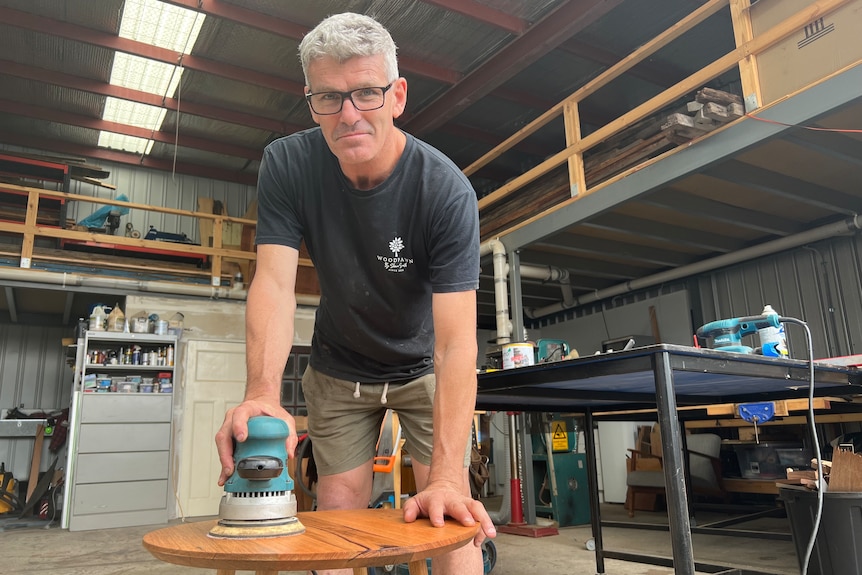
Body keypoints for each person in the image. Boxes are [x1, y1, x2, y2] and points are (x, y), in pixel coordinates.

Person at [214, 11, 496, 575]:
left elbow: (457, 344)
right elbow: (273, 284)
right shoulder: (288, 165)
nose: (348, 115)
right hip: (340, 366)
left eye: (366, 93)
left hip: (423, 367)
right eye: (329, 98)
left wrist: (445, 475)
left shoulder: (444, 191)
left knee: (453, 518)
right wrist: (263, 394)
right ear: (311, 99)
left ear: (397, 96)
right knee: (337, 519)